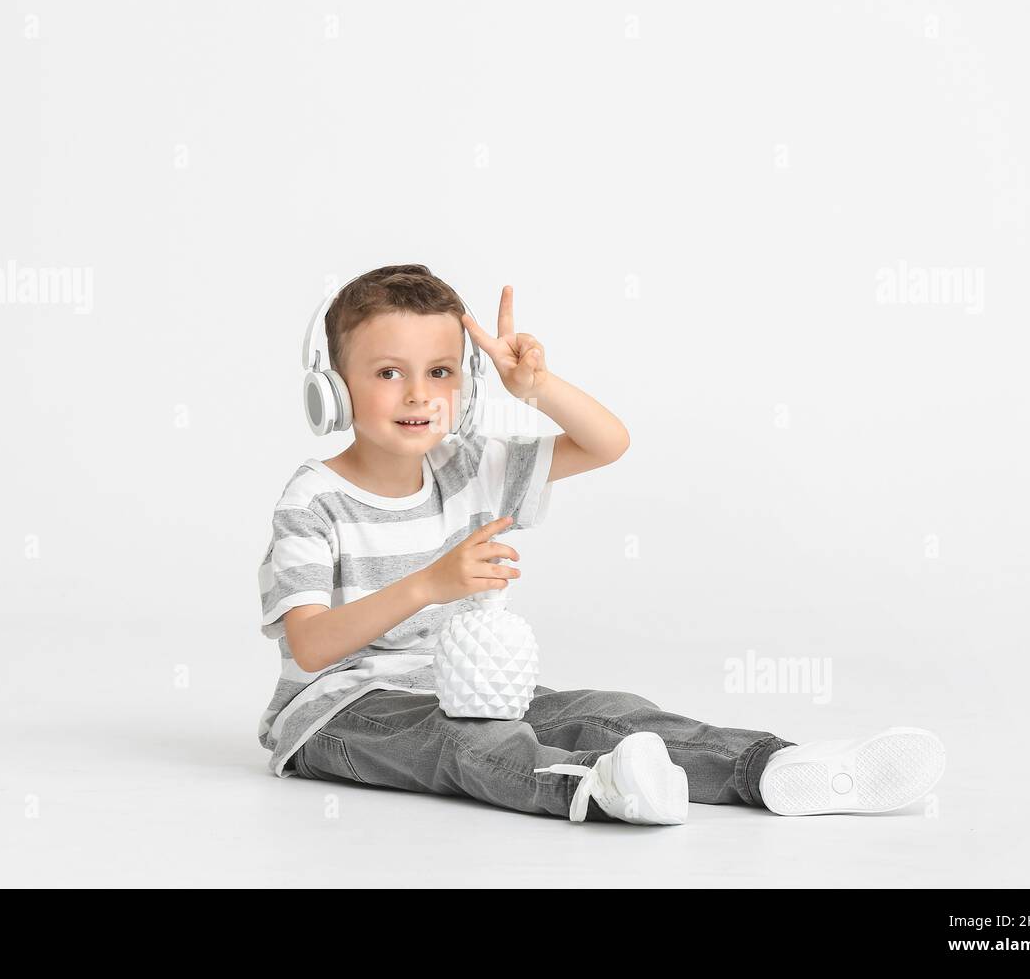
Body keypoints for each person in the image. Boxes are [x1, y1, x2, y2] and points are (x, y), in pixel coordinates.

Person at [257, 264, 945, 824]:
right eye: (387, 374)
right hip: (340, 712)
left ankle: (775, 768)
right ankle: (598, 788)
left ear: (464, 389)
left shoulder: (467, 466)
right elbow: (311, 646)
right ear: (334, 388)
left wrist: (536, 387)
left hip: (457, 686)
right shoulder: (313, 498)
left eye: (440, 372)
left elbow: (606, 442)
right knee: (466, 742)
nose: (418, 394)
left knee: (602, 710)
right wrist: (430, 584)